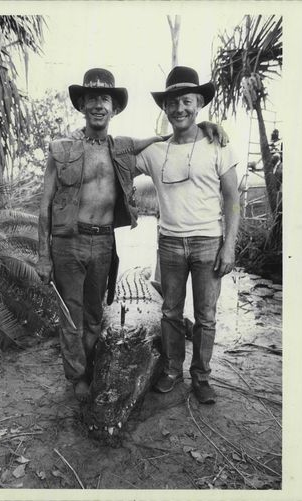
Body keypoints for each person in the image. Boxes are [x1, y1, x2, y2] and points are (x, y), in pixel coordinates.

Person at [35, 68, 227, 402]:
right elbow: (44, 205)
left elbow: (171, 140)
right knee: (72, 315)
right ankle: (78, 377)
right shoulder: (60, 150)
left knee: (95, 314)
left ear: (114, 108)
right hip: (68, 242)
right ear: (81, 104)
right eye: (92, 98)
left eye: (104, 99)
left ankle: (95, 367)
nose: (98, 105)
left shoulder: (122, 149)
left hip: (104, 241)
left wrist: (208, 127)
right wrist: (42, 255)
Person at [135, 66, 240, 404]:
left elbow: (232, 198)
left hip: (209, 242)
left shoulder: (217, 144)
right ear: (164, 108)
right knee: (170, 312)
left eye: (187, 101)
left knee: (206, 316)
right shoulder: (155, 152)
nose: (180, 109)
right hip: (169, 244)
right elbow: (119, 158)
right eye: (173, 103)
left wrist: (230, 247)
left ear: (198, 104)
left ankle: (202, 377)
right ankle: (170, 370)